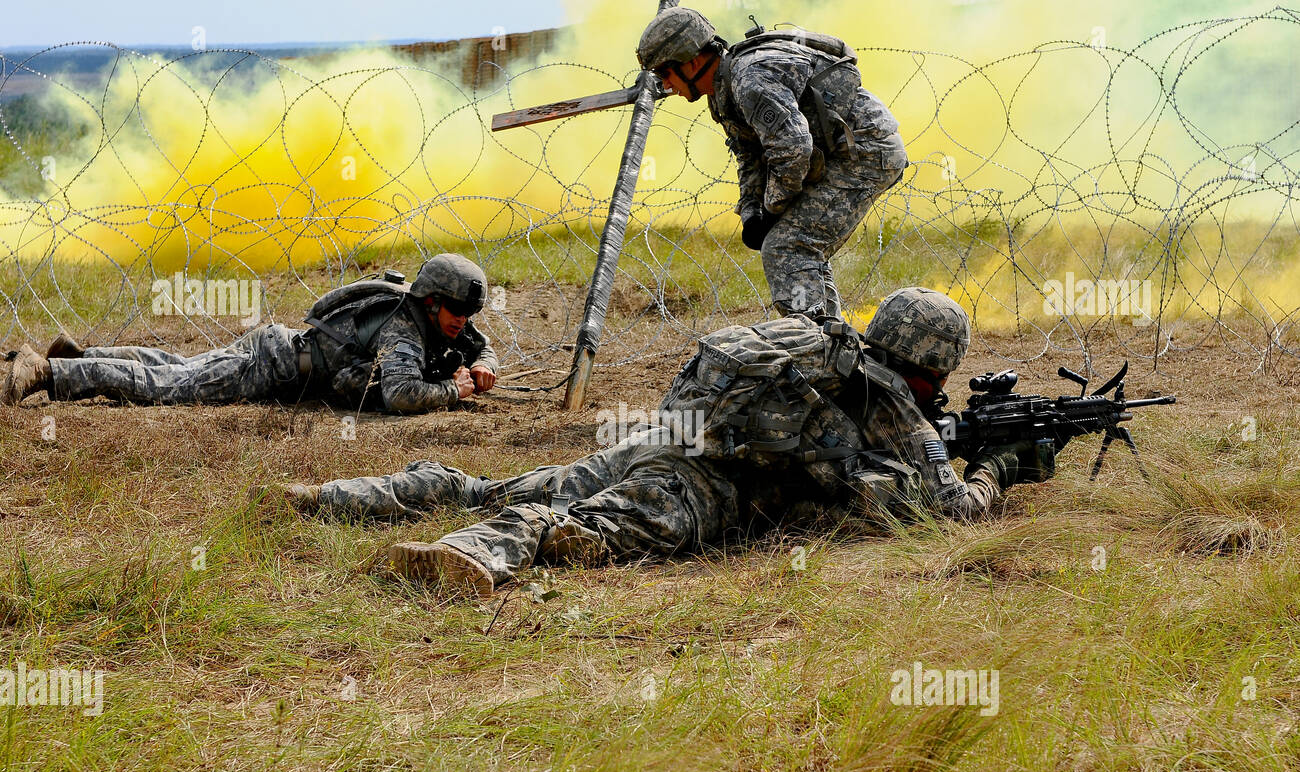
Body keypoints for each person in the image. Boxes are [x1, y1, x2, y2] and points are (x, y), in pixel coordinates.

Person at [255, 288, 1051, 598]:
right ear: (932, 363)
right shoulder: (892, 408)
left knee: (508, 484)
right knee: (578, 526)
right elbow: (951, 513)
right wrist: (1001, 467)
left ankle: (337, 498)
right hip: (700, 489)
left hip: (660, 436)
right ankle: (469, 556)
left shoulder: (825, 347)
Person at [635, 7, 909, 319]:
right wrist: (752, 211)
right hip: (840, 153)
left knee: (788, 248)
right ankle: (826, 340)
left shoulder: (749, 81)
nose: (665, 85)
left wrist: (772, 208)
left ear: (693, 61)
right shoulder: (723, 89)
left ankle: (812, 344)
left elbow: (793, 149)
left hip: (866, 153)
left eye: (664, 73)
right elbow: (750, 154)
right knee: (797, 247)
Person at [2, 253, 499, 413]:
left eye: (467, 312)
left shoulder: (439, 322)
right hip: (272, 367)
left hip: (279, 349)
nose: (462, 320)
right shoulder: (405, 332)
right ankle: (47, 370)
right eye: (456, 310)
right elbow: (401, 394)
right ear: (432, 301)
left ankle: (84, 354)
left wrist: (484, 366)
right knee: (167, 388)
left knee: (176, 365)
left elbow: (481, 345)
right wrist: (449, 392)